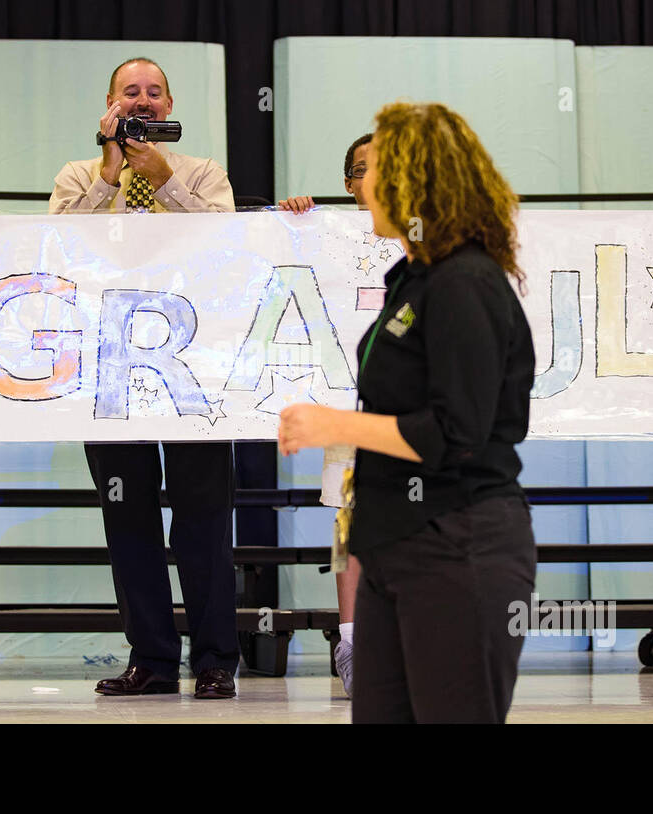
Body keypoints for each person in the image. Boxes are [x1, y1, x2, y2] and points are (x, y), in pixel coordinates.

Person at [278, 102, 537, 723]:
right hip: (393, 545)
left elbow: (459, 433)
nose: (362, 187)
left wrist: (334, 426)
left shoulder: (464, 281)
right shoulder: (413, 278)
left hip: (458, 546)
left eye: (377, 172)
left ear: (416, 183)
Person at [50, 57, 239, 699]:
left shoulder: (203, 175)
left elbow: (224, 250)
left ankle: (216, 659)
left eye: (155, 92)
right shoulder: (78, 177)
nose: (144, 101)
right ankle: (153, 659)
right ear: (108, 105)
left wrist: (166, 185)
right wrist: (110, 173)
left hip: (192, 372)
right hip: (109, 371)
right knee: (128, 517)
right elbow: (58, 252)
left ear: (171, 103)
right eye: (131, 92)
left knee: (203, 518)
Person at [276, 132, 373, 697]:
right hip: (351, 402)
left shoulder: (430, 232)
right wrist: (293, 219)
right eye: (365, 168)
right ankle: (353, 642)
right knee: (350, 522)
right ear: (348, 181)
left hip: (414, 403)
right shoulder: (326, 233)